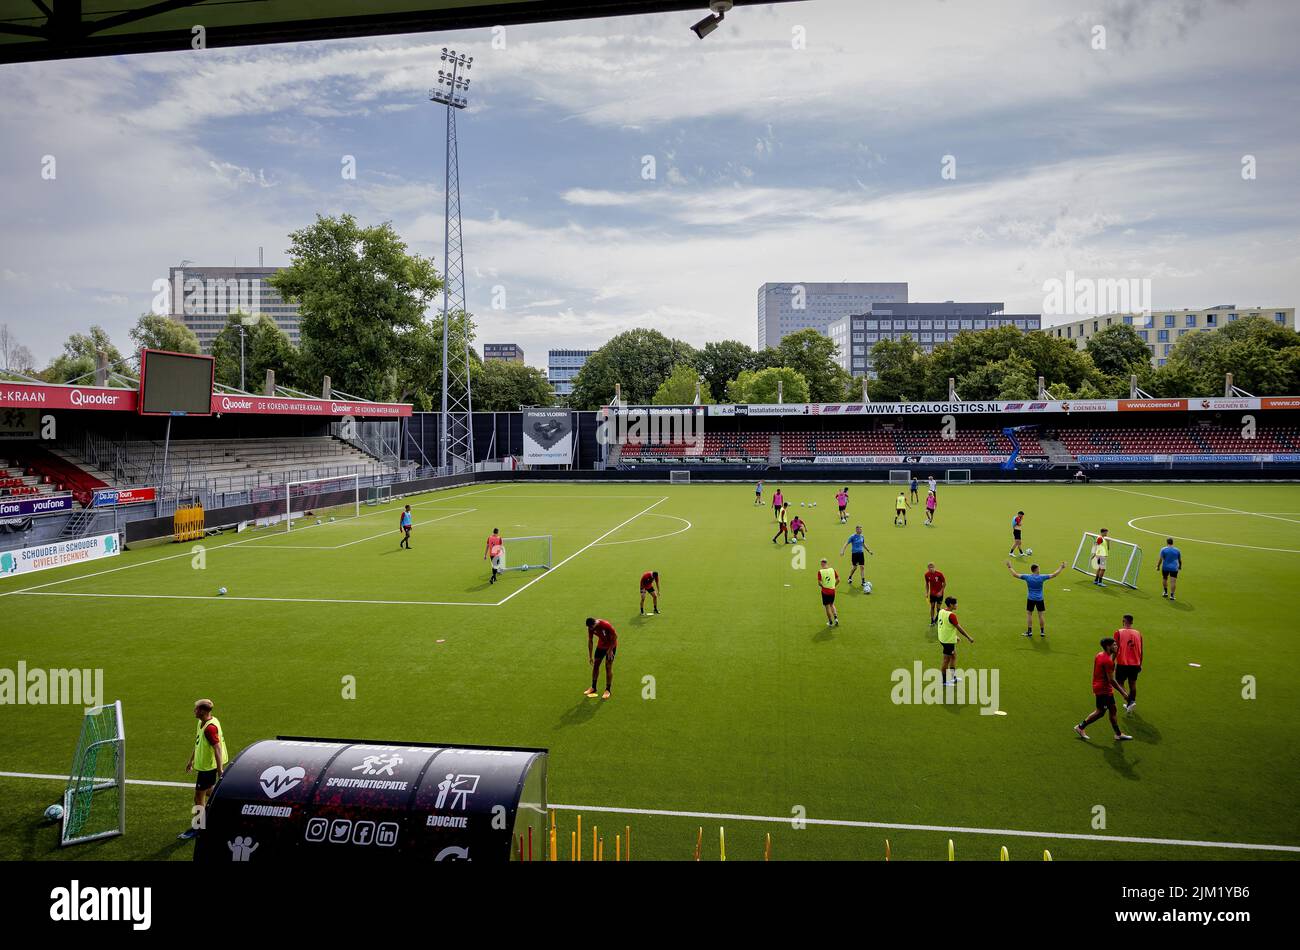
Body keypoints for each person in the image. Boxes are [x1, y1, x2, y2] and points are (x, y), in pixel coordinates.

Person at [179, 698, 228, 840]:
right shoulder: (201, 723)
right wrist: (191, 760)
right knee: (207, 792)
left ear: (203, 711)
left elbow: (217, 749)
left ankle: (198, 827)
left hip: (208, 768)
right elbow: (198, 743)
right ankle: (223, 800)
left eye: (196, 709)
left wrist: (220, 770)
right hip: (205, 765)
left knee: (198, 797)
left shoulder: (210, 728)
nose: (194, 711)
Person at [1074, 638, 1133, 741]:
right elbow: (1112, 680)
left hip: (1102, 687)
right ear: (1108, 646)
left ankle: (1118, 734)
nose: (1116, 646)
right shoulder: (1107, 660)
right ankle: (1080, 727)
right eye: (1114, 645)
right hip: (1103, 689)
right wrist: (1123, 692)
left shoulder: (1100, 655)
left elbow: (1109, 665)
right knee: (1100, 712)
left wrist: (1114, 655)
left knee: (1113, 709)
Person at [1006, 560, 1066, 638]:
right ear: (1036, 569)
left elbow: (1015, 574)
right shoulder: (1041, 577)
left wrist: (1009, 567)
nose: (1039, 570)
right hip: (1040, 599)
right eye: (1039, 568)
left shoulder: (1027, 577)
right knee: (1040, 615)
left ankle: (1030, 632)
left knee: (1029, 614)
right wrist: (1061, 567)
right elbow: (1054, 575)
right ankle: (1042, 632)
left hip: (1030, 599)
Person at [936, 596, 974, 687]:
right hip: (948, 641)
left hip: (943, 638)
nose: (957, 605)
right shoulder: (951, 615)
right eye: (955, 603)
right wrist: (968, 637)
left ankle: (953, 677)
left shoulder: (941, 611)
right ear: (951, 605)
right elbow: (959, 628)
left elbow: (943, 625)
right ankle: (944, 682)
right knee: (946, 660)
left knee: (953, 656)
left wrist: (955, 636)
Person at [1114, 615, 1144, 713]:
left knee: (1119, 683)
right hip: (1135, 663)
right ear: (1132, 622)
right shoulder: (1138, 633)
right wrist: (1140, 663)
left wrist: (1112, 661)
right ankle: (1130, 704)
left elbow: (1116, 648)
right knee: (1133, 684)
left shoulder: (1118, 632)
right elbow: (1141, 650)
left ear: (1123, 621)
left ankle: (1130, 701)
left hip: (1123, 662)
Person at [584, 617, 617, 700]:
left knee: (608, 666)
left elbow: (615, 637)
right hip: (601, 646)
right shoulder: (591, 628)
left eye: (591, 627)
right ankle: (593, 687)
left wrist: (610, 650)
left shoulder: (606, 625)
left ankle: (608, 690)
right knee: (596, 665)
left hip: (611, 646)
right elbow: (590, 641)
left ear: (594, 624)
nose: (590, 629)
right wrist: (590, 656)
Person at [817, 558, 840, 627]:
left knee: (827, 607)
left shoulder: (820, 572)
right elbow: (838, 579)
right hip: (832, 591)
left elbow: (819, 583)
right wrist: (834, 586)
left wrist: (823, 586)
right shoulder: (832, 570)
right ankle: (836, 618)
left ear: (822, 564)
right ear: (827, 563)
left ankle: (830, 622)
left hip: (825, 592)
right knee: (832, 604)